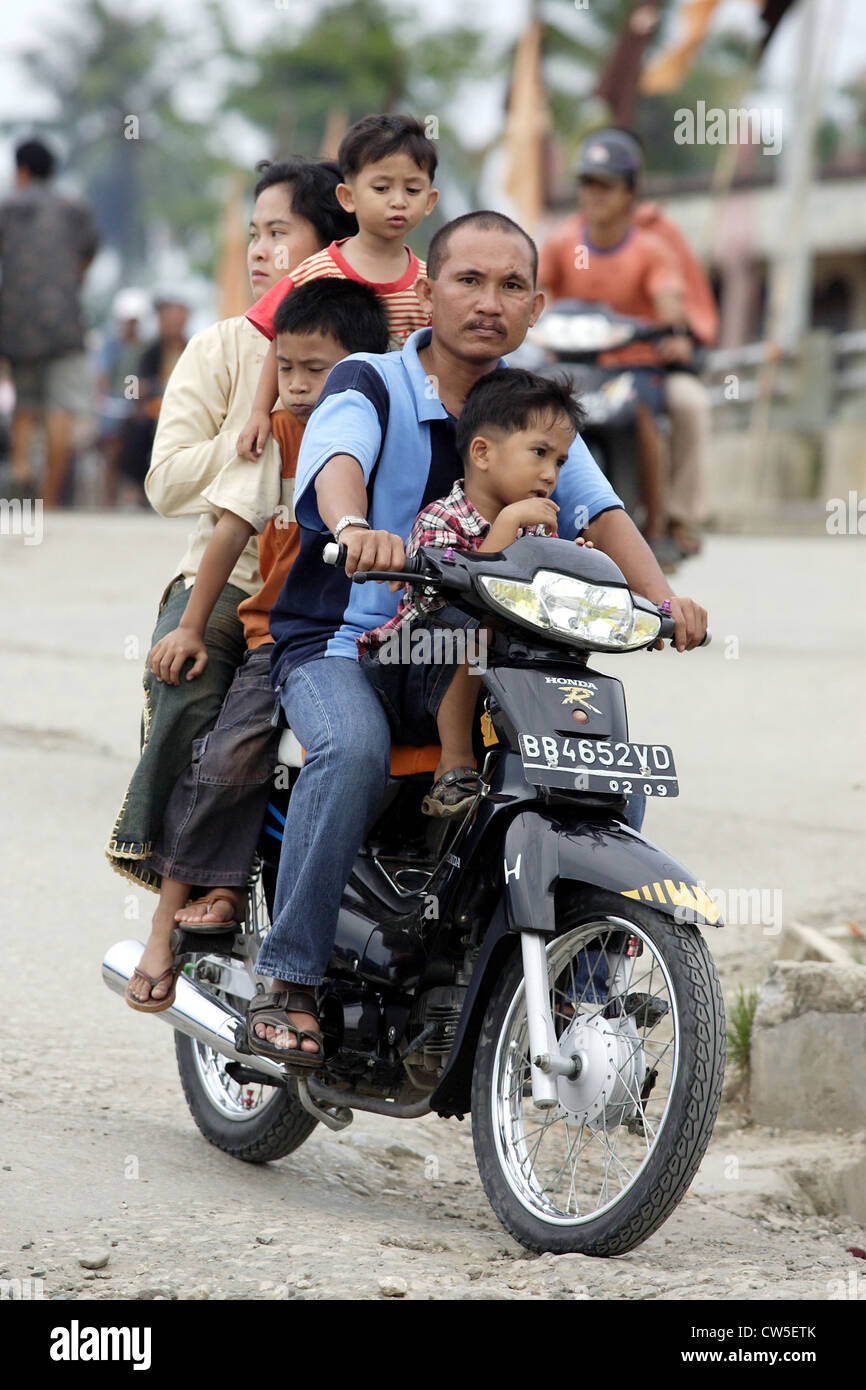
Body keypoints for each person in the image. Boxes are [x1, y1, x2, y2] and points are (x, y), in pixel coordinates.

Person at [244, 209, 708, 1063]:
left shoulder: (535, 413)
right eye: (467, 280)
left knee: (597, 762)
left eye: (509, 287)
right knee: (350, 752)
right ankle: (291, 978)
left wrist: (664, 599)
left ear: (535, 309)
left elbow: (601, 512)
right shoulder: (368, 380)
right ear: (426, 293)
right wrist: (355, 530)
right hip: (344, 643)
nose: (487, 302)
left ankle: (575, 980)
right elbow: (335, 461)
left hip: (481, 649)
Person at [125, 278, 390, 1009]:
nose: (300, 386)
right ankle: (177, 915)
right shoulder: (271, 436)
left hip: (373, 634)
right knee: (233, 746)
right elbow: (228, 535)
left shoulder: (391, 432)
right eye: (289, 368)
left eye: (317, 370)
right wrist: (189, 624)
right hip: (281, 631)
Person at [105, 157, 356, 893]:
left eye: (278, 232)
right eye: (254, 232)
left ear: (329, 244)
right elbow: (164, 482)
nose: (257, 250)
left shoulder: (375, 338)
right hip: (231, 578)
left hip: (340, 578)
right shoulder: (220, 347)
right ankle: (170, 877)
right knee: (187, 682)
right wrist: (256, 435)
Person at [359, 369, 590, 817]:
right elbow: (457, 601)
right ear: (481, 453)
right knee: (471, 627)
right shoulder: (441, 519)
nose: (550, 473)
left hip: (490, 678)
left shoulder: (539, 529)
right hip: (408, 670)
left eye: (560, 462)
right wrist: (505, 527)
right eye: (539, 453)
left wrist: (576, 566)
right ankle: (454, 764)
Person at [236, 113, 438, 462]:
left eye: (412, 189)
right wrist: (258, 413)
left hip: (401, 435)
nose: (398, 200)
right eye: (381, 188)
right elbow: (278, 343)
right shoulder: (314, 272)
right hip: (321, 428)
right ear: (348, 196)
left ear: (430, 201)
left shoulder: (428, 283)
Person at [538, 128, 689, 570]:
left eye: (606, 184)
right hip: (568, 366)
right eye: (588, 182)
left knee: (654, 414)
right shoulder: (562, 242)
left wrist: (671, 328)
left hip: (634, 370)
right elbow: (536, 295)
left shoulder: (651, 250)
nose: (595, 194)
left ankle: (659, 526)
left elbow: (669, 305)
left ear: (630, 193)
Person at [0, 138, 99, 506]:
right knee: (62, 408)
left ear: (21, 170)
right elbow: (87, 255)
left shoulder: (8, 207)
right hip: (65, 326)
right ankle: (49, 499)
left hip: (17, 327)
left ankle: (23, 467)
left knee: (26, 402)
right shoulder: (74, 208)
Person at [634, 200, 718, 557]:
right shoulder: (577, 240)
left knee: (690, 403)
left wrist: (678, 333)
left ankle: (677, 517)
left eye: (609, 185)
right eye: (591, 184)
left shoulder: (659, 238)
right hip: (596, 367)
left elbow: (681, 307)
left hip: (653, 369)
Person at [117, 291, 190, 506]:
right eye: (167, 320)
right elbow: (131, 385)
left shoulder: (195, 347)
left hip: (186, 410)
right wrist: (142, 390)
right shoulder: (148, 351)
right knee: (136, 428)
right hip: (153, 409)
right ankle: (136, 485)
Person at [93, 288, 150, 506]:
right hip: (113, 405)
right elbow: (102, 376)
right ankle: (108, 497)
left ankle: (135, 493)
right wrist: (103, 399)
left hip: (135, 404)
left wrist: (137, 400)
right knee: (112, 449)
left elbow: (138, 381)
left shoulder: (143, 347)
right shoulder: (111, 345)